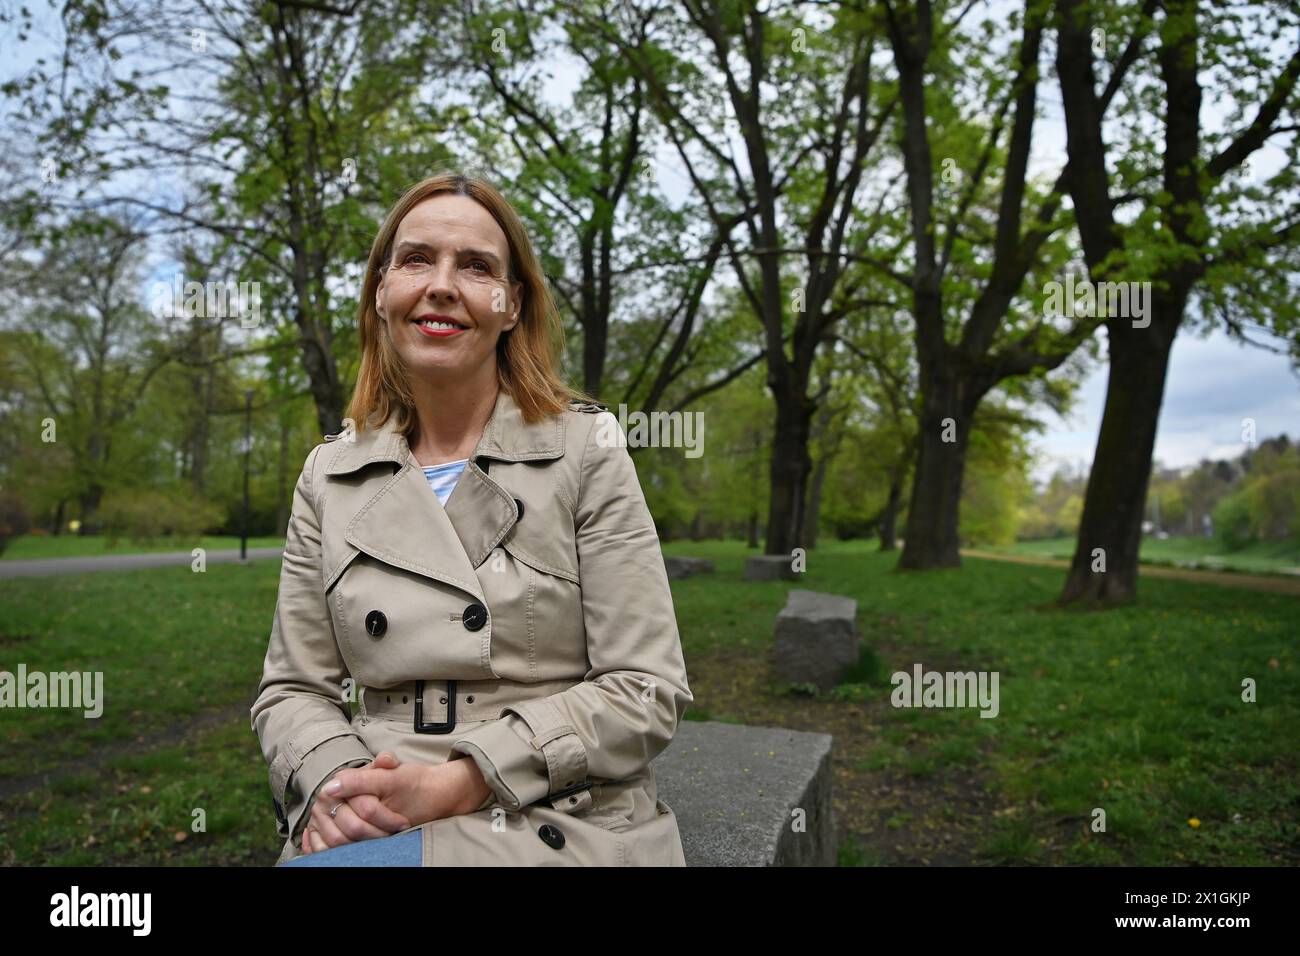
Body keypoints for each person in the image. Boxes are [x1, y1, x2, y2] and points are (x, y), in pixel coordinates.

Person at [250, 171, 694, 866]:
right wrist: (336, 786)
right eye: (417, 259)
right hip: (373, 802)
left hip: (551, 810)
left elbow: (646, 688)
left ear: (511, 305)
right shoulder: (328, 475)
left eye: (476, 266)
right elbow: (293, 689)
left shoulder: (585, 449)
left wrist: (465, 778)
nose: (442, 285)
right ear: (382, 292)